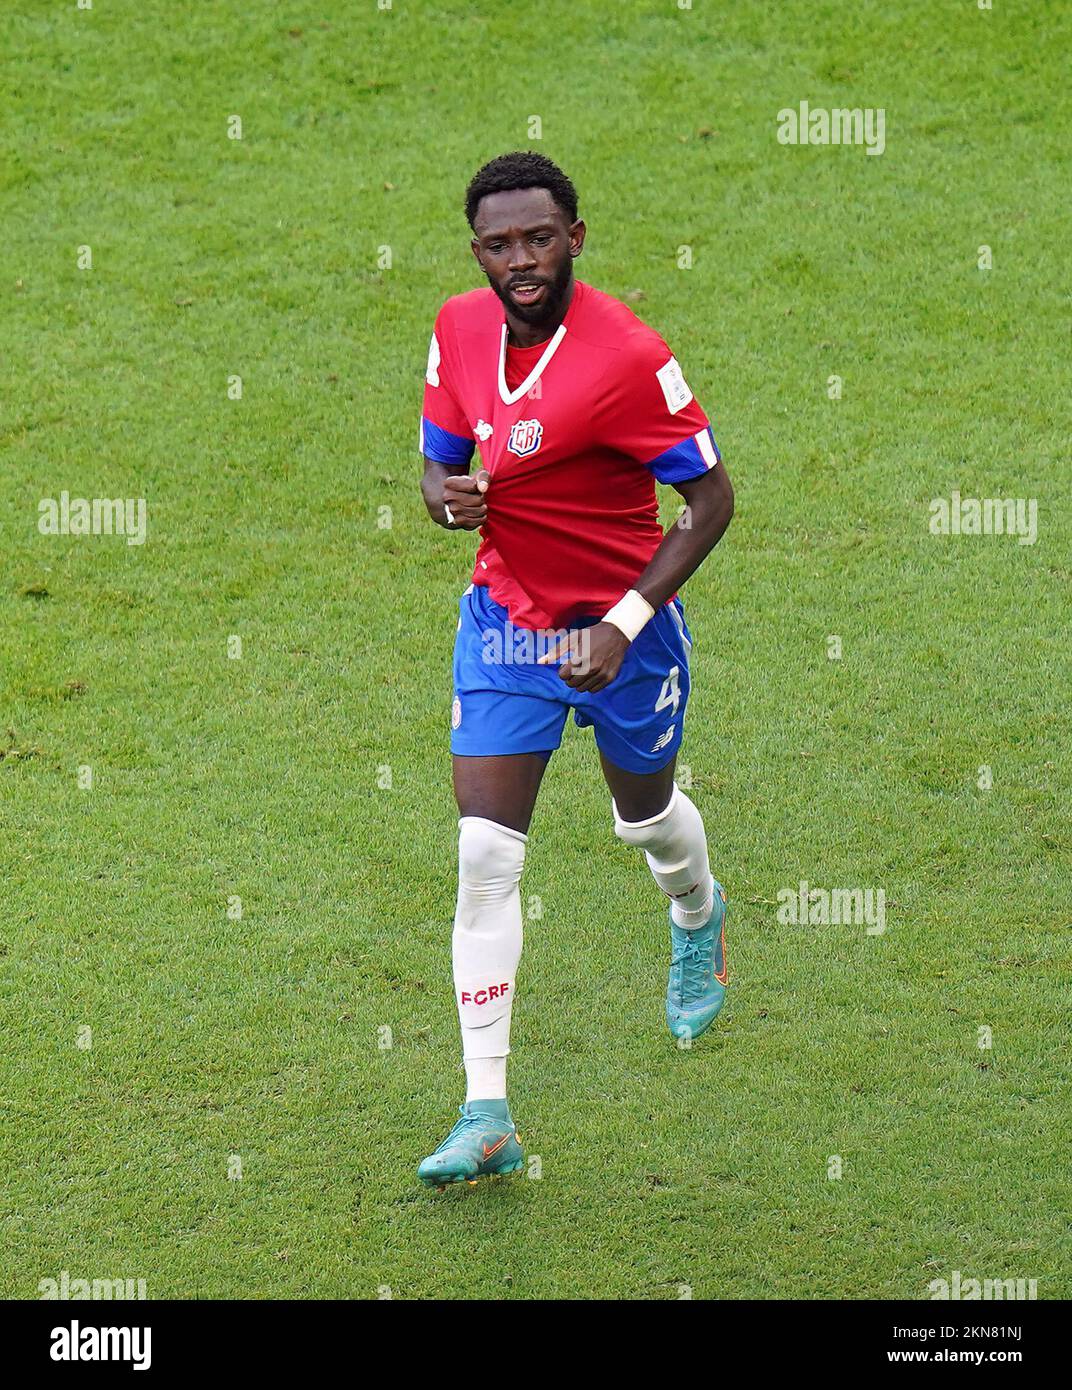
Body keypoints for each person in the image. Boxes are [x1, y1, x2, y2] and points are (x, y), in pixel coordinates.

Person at [416, 151, 734, 1189]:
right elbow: (437, 459)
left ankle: (696, 911)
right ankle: (486, 1109)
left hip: (622, 640)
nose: (521, 260)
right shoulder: (458, 327)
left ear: (575, 239)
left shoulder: (629, 356)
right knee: (483, 857)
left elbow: (710, 499)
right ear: (478, 251)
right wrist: (441, 493)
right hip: (506, 624)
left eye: (540, 238)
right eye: (500, 243)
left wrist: (627, 621)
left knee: (643, 818)